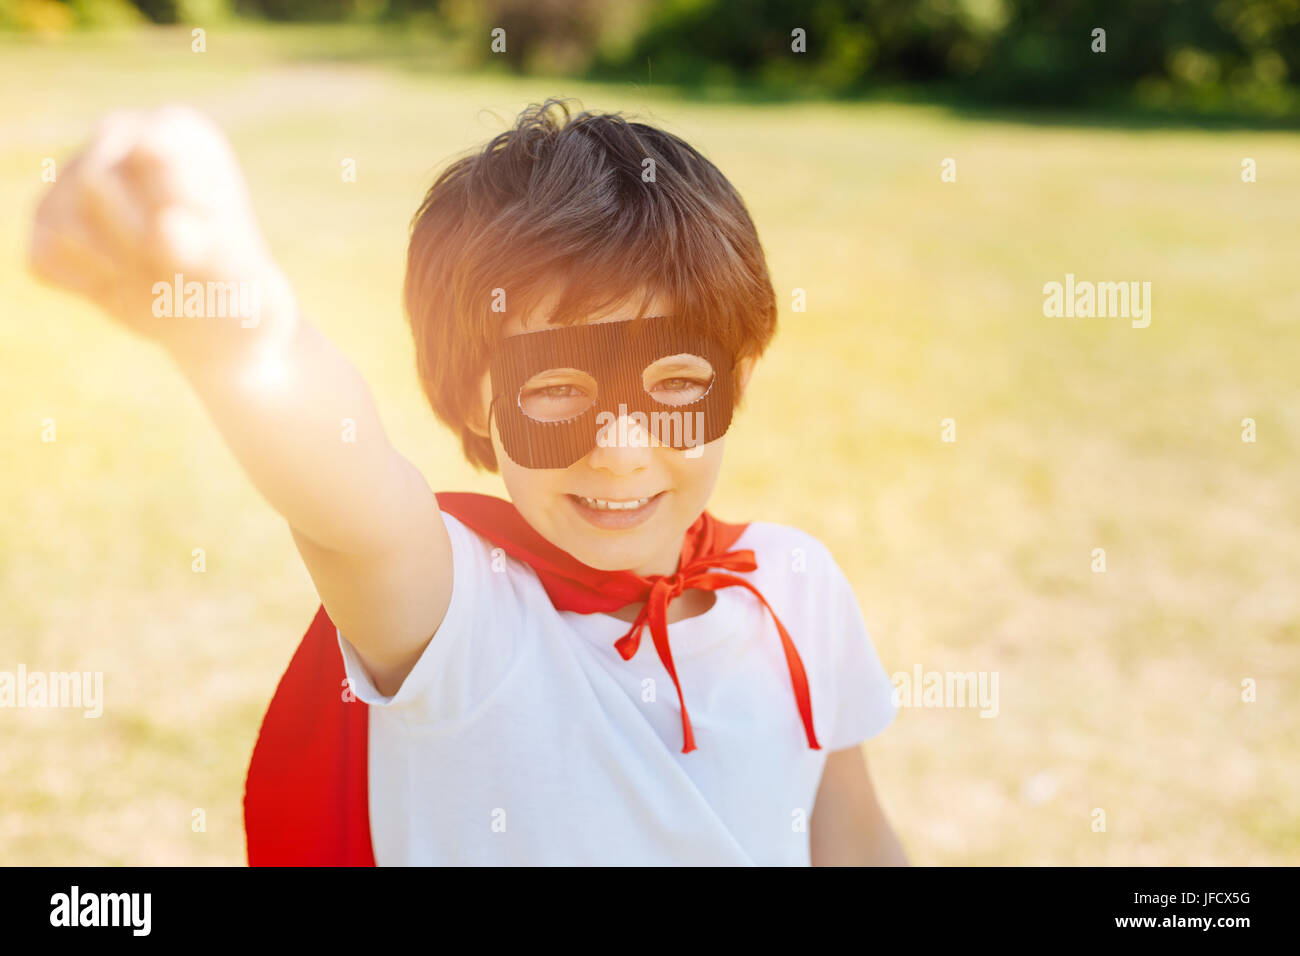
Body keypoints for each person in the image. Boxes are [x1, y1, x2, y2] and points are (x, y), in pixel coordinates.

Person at [29, 97, 907, 866]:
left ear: (739, 381)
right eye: (558, 389)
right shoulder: (458, 620)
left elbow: (852, 838)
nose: (622, 450)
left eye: (676, 379)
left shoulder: (797, 589)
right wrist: (239, 326)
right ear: (477, 403)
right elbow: (349, 502)